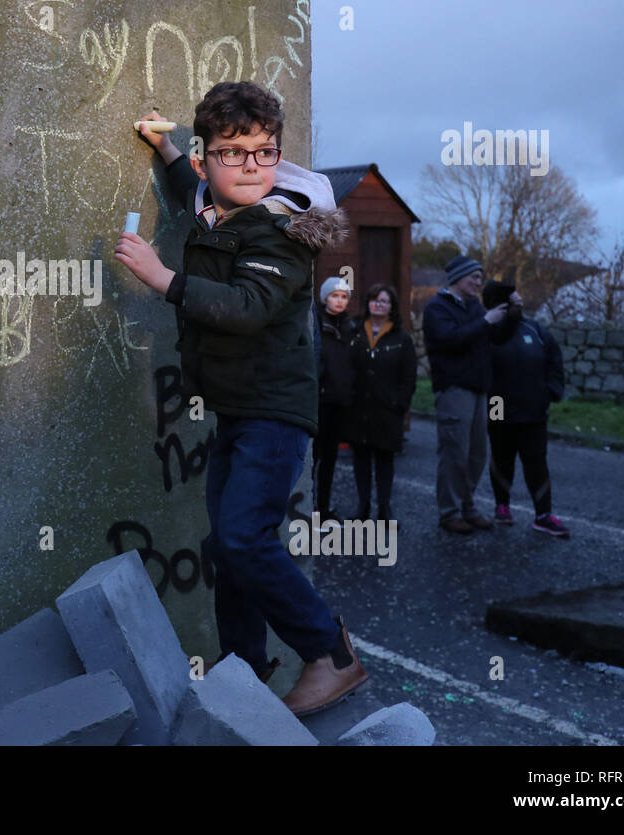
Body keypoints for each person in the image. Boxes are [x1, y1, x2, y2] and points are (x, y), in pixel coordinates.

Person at [117, 81, 367, 717]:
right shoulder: (215, 203)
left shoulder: (282, 229)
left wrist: (163, 278)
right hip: (239, 409)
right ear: (209, 158)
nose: (253, 165)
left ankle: (330, 654)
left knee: (244, 539)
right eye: (234, 152)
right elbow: (191, 190)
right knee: (228, 550)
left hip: (275, 412)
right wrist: (167, 149)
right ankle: (242, 676)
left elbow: (248, 307)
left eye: (265, 152)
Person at [422, 255, 518, 534]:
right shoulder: (436, 308)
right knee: (455, 453)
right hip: (453, 389)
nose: (479, 282)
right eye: (473, 277)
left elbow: (497, 337)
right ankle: (449, 513)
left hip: (479, 389)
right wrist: (486, 321)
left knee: (477, 454)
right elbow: (450, 340)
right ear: (458, 279)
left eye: (479, 277)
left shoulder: (475, 306)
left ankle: (467, 507)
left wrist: (512, 315)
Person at [482, 281, 570, 537]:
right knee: (501, 456)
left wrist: (551, 390)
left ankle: (543, 515)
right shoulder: (486, 330)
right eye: (514, 300)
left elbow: (555, 359)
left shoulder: (536, 329)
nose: (520, 302)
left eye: (519, 300)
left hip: (533, 406)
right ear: (500, 304)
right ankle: (502, 508)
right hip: (497, 405)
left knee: (536, 460)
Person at [346, 282, 417, 522]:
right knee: (361, 461)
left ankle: (384, 508)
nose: (379, 304)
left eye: (384, 301)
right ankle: (362, 507)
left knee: (385, 461)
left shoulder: (401, 338)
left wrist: (399, 404)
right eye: (375, 299)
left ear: (392, 307)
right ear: (368, 303)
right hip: (358, 410)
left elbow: (409, 378)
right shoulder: (354, 332)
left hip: (387, 411)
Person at [315, 277, 355, 531]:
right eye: (335, 295)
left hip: (340, 402)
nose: (339, 301)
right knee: (313, 457)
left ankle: (324, 507)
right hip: (318, 401)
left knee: (330, 459)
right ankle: (307, 507)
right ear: (325, 297)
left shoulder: (350, 327)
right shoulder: (316, 324)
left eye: (344, 296)